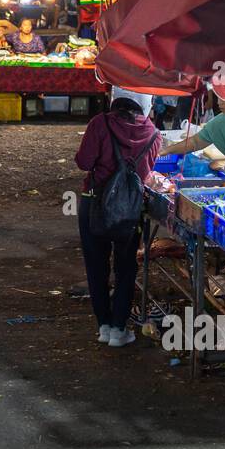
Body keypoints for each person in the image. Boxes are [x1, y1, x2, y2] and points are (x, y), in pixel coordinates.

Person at [75, 98, 161, 348]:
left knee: (96, 266)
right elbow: (147, 173)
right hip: (130, 210)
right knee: (126, 268)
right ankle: (118, 330)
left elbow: (84, 162)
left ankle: (103, 326)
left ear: (115, 109)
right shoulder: (153, 133)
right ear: (141, 111)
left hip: (94, 204)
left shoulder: (99, 123)